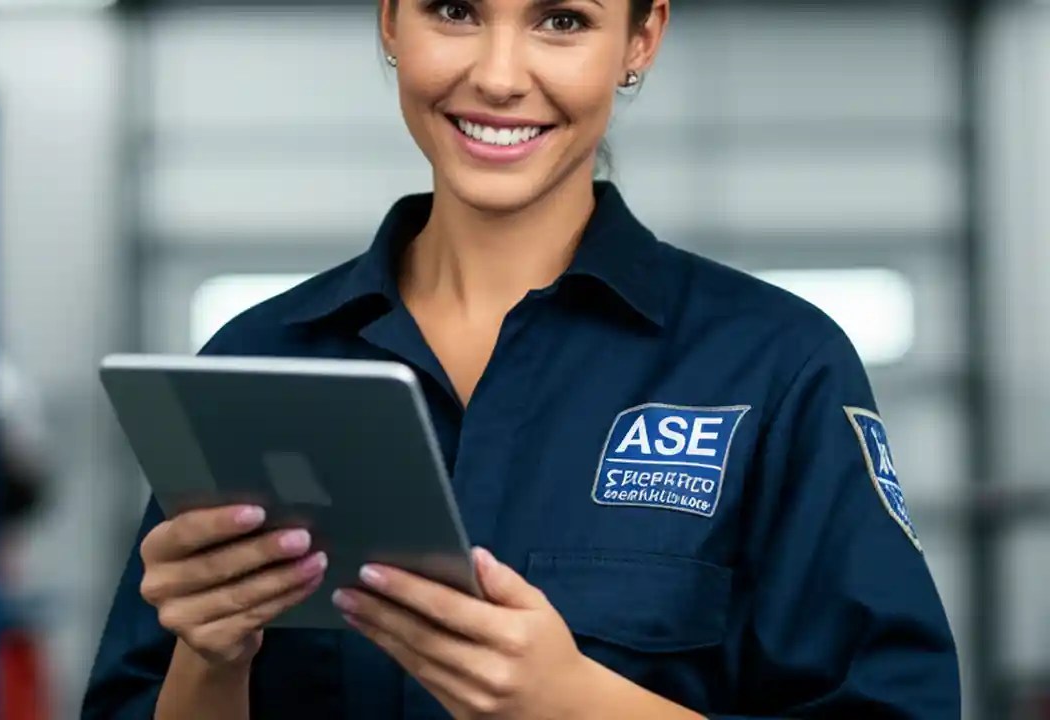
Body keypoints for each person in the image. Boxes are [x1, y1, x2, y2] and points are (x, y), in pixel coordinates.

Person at [83, 0, 961, 717]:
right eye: (455, 11)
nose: (499, 77)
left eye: (563, 21)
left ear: (641, 37)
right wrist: (212, 656)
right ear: (391, 21)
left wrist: (576, 703)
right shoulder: (257, 365)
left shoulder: (774, 367)